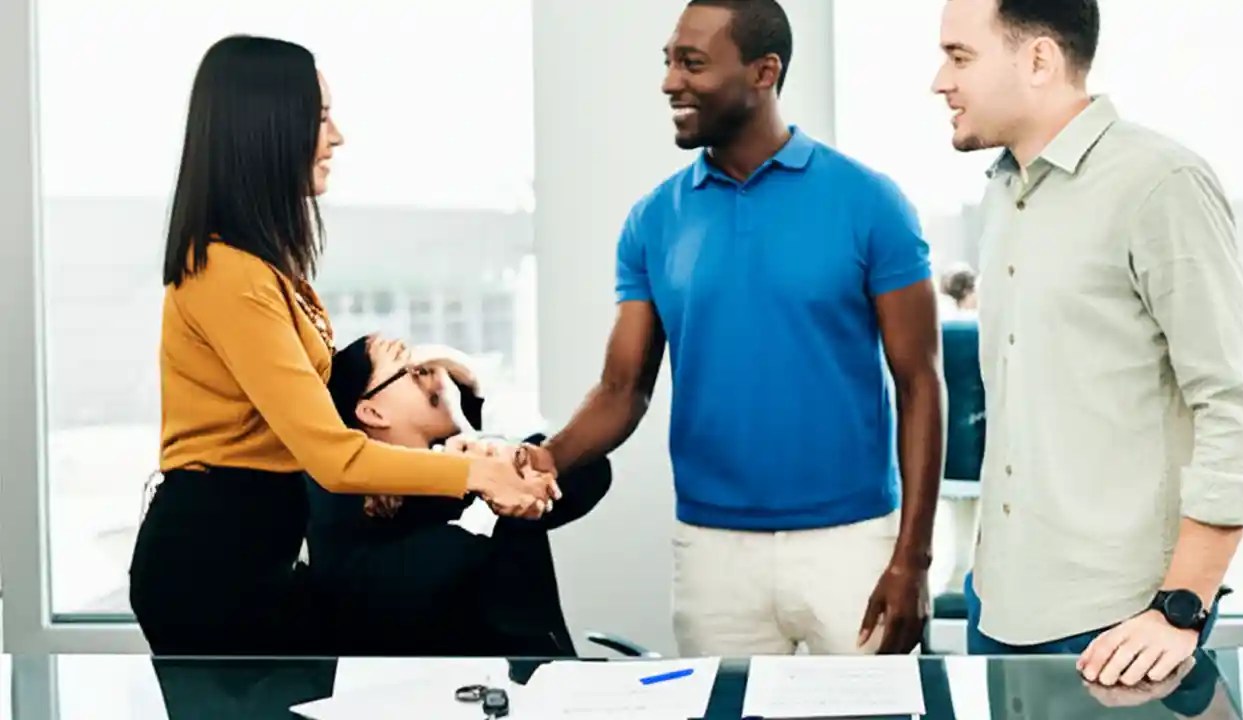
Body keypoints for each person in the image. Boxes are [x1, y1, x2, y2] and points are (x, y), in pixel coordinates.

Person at [523, 0, 945, 656]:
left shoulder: (869, 202)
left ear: (763, 71)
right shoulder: (653, 219)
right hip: (711, 551)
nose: (669, 82)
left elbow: (920, 384)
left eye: (691, 63)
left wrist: (912, 560)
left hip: (854, 542)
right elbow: (620, 389)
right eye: (667, 62)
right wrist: (544, 460)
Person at [128, 35, 557, 658]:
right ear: (270, 127)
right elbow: (333, 457)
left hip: (258, 550)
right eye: (322, 115)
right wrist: (479, 472)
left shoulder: (267, 271)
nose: (337, 137)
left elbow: (320, 410)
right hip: (211, 564)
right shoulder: (227, 274)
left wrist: (450, 409)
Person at [932, 0, 1243, 685]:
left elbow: (1240, 408)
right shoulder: (1004, 192)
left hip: (1119, 627)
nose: (939, 80)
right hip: (997, 607)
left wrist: (1179, 609)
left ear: (1038, 59)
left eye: (960, 56)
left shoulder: (1159, 183)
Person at [307, 336, 613, 657]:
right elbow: (391, 592)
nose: (438, 378)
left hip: (538, 686)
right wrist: (484, 499)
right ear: (372, 412)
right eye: (414, 372)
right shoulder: (342, 500)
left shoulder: (485, 460)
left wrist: (483, 441)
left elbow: (591, 472)